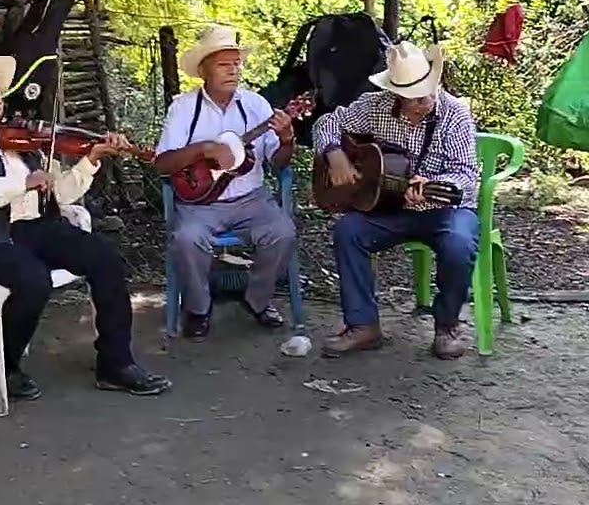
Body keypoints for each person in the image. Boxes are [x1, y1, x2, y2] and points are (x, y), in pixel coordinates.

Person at [0, 51, 171, 398]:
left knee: (105, 258)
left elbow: (61, 193)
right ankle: (5, 366)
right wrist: (20, 184)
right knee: (33, 279)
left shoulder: (27, 143)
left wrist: (90, 160)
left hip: (38, 227)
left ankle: (116, 364)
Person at [312, 40, 481, 359]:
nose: (424, 102)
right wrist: (334, 154)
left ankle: (446, 326)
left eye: (428, 92)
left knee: (459, 244)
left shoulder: (454, 113)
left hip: (444, 209)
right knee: (348, 231)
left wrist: (435, 185)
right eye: (414, 98)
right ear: (397, 94)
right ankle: (363, 326)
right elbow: (327, 122)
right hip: (388, 208)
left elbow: (467, 176)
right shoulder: (374, 106)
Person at [154, 26, 298, 340]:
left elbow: (278, 162)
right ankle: (198, 308)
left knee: (283, 233)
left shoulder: (256, 105)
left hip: (252, 200)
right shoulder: (183, 108)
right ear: (204, 70)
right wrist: (204, 149)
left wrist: (287, 139)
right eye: (223, 64)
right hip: (200, 204)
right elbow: (163, 163)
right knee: (186, 239)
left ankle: (257, 299)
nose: (233, 70)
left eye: (236, 64)